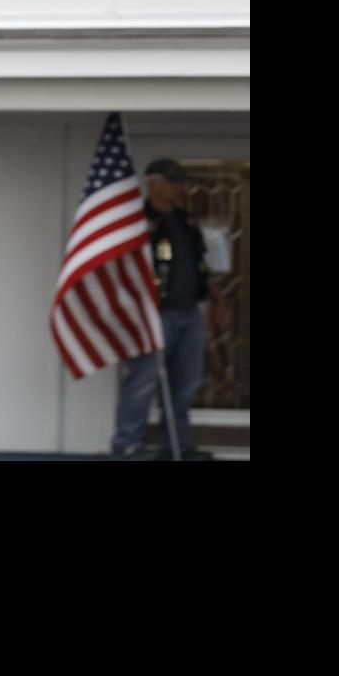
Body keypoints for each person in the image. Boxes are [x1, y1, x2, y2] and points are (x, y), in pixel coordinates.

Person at [111, 159, 213, 461]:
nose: (180, 187)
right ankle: (127, 444)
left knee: (185, 383)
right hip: (153, 313)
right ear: (154, 183)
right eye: (174, 181)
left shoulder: (186, 220)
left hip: (190, 312)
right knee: (143, 378)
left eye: (181, 181)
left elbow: (201, 264)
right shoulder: (138, 220)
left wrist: (217, 300)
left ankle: (177, 445)